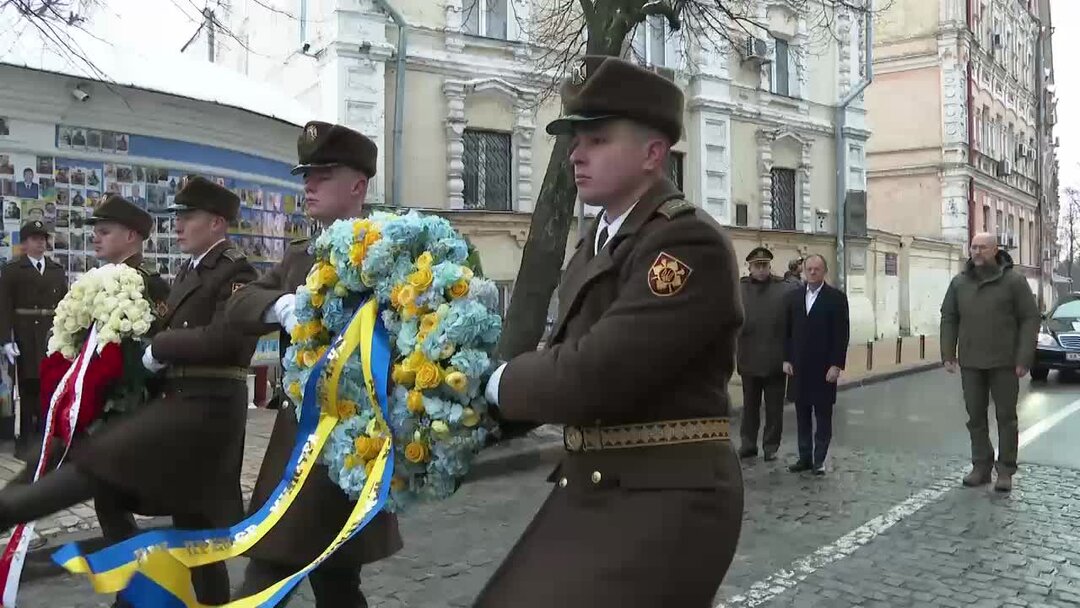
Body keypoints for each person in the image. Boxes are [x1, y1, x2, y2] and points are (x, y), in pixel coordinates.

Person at [474, 56, 745, 607]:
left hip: (668, 495)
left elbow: (595, 373)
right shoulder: (599, 241)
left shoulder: (684, 243)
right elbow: (563, 359)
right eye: (576, 140)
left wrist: (491, 383)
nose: (576, 154)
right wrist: (463, 423)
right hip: (599, 483)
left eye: (597, 139)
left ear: (652, 154)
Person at [0, 178, 258, 606]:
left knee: (192, 526)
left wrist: (158, 349)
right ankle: (136, 594)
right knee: (186, 525)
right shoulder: (188, 270)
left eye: (188, 217)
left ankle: (13, 511)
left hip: (202, 414)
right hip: (173, 408)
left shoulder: (234, 271)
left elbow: (224, 340)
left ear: (216, 222)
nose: (178, 226)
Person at [226, 121, 402, 606]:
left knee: (271, 571)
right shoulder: (300, 258)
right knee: (335, 582)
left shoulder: (391, 253)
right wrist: (280, 304)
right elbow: (239, 303)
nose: (309, 184)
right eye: (307, 175)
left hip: (348, 440)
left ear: (358, 186)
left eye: (323, 174)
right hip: (297, 438)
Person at [6, 195, 168, 563]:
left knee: (92, 496)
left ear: (131, 236)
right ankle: (135, 582)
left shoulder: (148, 285)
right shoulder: (98, 281)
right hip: (86, 406)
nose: (95, 237)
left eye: (105, 231)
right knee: (107, 508)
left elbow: (148, 352)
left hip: (116, 411)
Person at [940, 232, 1039, 493]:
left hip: (1005, 361)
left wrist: (1024, 357)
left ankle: (1005, 470)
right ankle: (981, 466)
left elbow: (1030, 318)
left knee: (1006, 418)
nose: (976, 251)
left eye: (982, 247)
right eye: (974, 247)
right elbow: (949, 317)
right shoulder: (959, 282)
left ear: (995, 250)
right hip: (971, 361)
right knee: (975, 417)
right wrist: (948, 353)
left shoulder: (1014, 281)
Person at [0, 220, 67, 460]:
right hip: (24, 335)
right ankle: (26, 440)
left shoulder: (56, 270)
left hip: (50, 335)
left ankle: (45, 438)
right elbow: (4, 306)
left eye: (43, 239)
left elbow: (64, 305)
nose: (40, 243)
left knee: (50, 385)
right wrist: (6, 339)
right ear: (24, 243)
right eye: (35, 239)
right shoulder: (12, 270)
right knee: (28, 388)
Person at [784, 253, 849, 476]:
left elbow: (841, 335)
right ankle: (804, 458)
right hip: (799, 366)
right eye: (809, 269)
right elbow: (787, 331)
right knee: (802, 415)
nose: (812, 272)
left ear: (824, 272)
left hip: (824, 368)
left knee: (822, 415)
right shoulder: (794, 297)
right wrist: (786, 359)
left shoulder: (836, 298)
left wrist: (836, 365)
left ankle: (819, 459)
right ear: (804, 271)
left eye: (817, 269)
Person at [738, 246, 797, 461]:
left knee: (774, 409)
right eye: (757, 266)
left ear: (770, 266)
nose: (761, 269)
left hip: (775, 361)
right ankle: (748, 444)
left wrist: (790, 356)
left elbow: (792, 324)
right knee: (749, 407)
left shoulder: (784, 289)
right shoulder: (740, 289)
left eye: (764, 265)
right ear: (750, 268)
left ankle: (771, 447)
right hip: (749, 358)